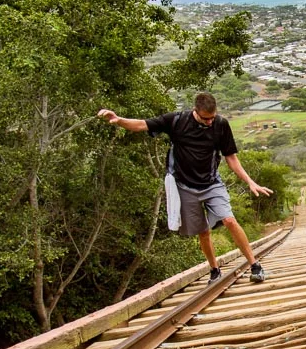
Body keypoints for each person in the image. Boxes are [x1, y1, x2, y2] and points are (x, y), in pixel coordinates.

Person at [98, 92, 272, 283]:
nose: (210, 123)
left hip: (212, 183)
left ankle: (255, 265)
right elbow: (142, 124)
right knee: (203, 232)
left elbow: (230, 157)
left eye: (212, 118)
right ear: (195, 111)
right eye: (206, 119)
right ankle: (214, 270)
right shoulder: (176, 121)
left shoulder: (220, 124)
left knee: (230, 220)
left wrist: (250, 181)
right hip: (185, 186)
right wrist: (118, 119)